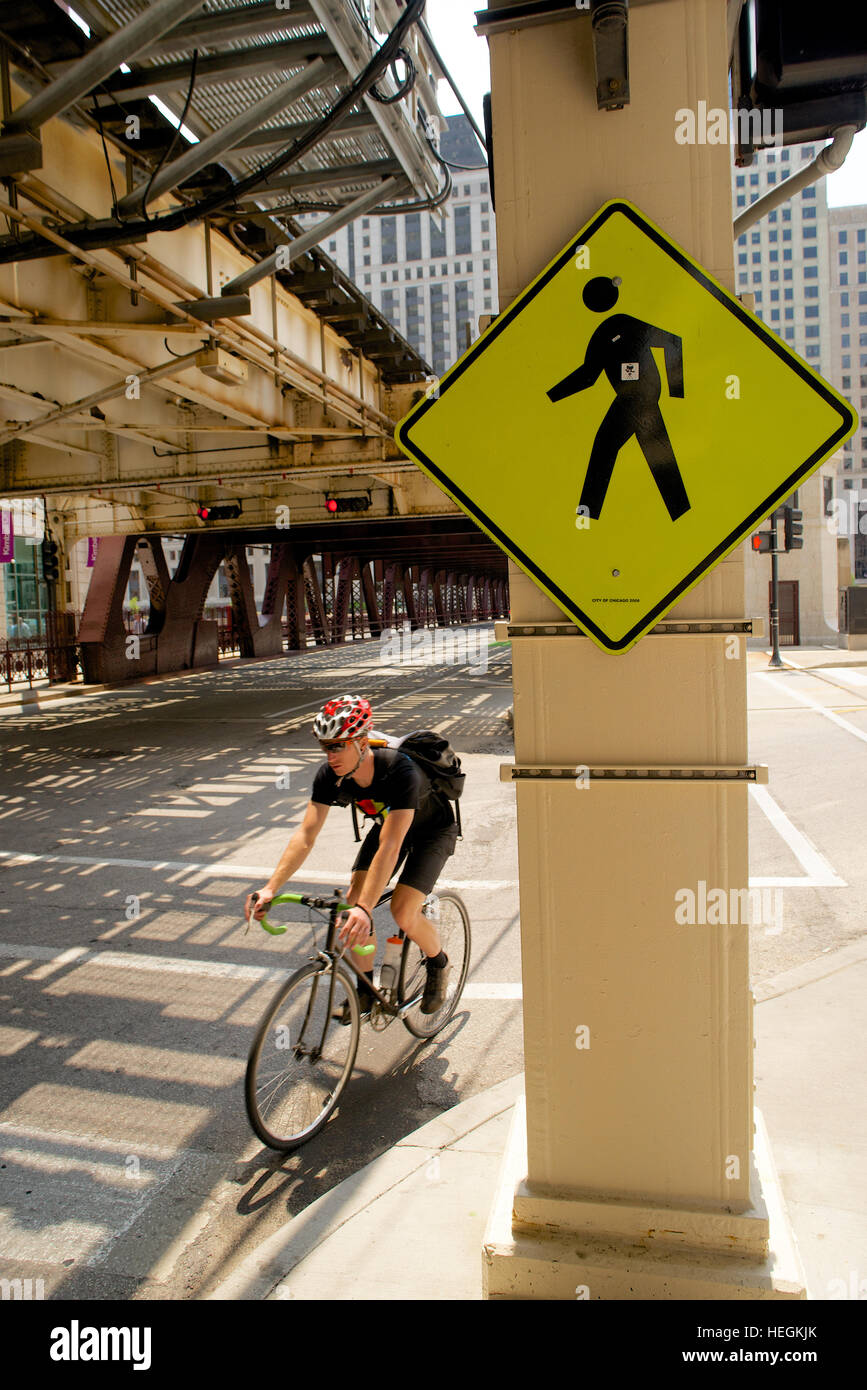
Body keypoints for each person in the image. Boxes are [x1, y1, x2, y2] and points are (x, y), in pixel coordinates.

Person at [244, 694, 458, 1016]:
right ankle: (365, 990)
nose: (330, 755)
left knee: (401, 911)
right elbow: (306, 835)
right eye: (325, 746)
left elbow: (391, 846)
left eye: (337, 746)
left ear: (360, 742)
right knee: (353, 900)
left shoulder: (400, 771)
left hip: (431, 831)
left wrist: (366, 909)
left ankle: (438, 963)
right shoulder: (330, 775)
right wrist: (271, 887)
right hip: (389, 826)